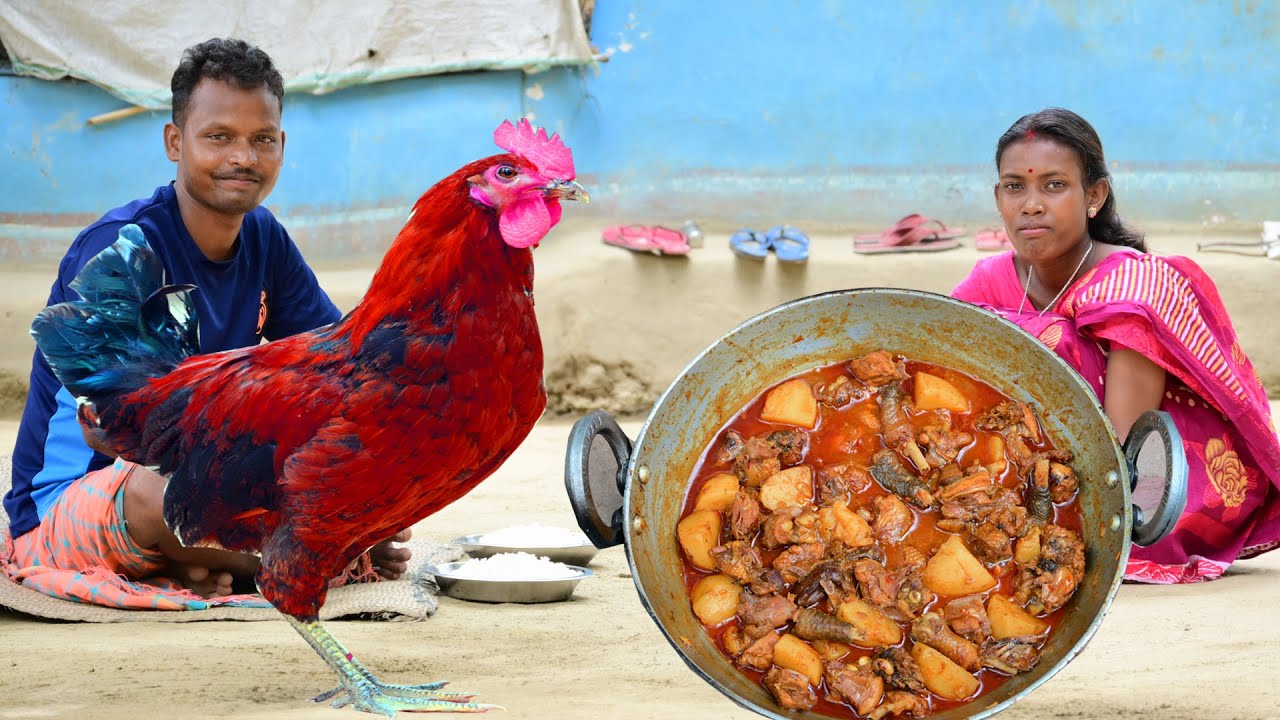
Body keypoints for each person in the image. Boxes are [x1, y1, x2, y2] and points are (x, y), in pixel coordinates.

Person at [4, 38, 410, 608]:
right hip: (74, 503)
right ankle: (303, 558)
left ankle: (201, 560)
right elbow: (121, 434)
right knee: (163, 494)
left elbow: (345, 369)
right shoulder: (122, 249)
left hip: (198, 486)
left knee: (354, 491)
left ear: (281, 146)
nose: (242, 157)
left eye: (261, 139)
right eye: (218, 137)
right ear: (176, 142)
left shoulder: (264, 238)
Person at [952, 107, 1280, 583]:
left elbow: (1123, 452)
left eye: (1054, 184)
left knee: (1051, 339)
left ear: (1095, 195)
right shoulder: (989, 281)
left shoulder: (1132, 286)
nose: (1031, 204)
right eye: (1014, 186)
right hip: (1039, 474)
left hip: (1153, 487)